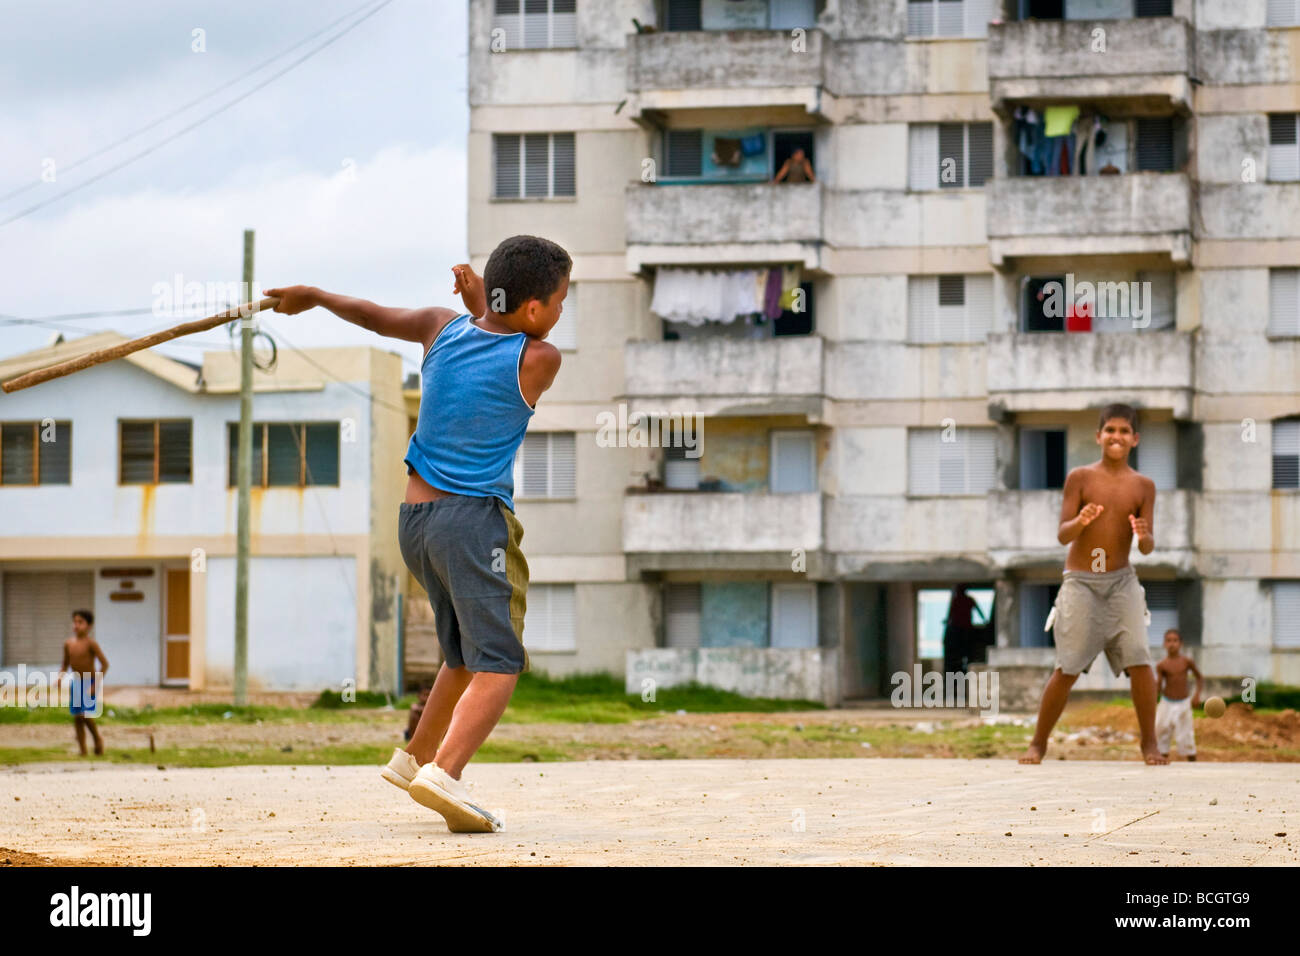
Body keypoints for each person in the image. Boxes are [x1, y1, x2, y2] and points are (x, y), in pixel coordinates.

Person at [265, 234, 569, 832]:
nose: (560, 313)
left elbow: (376, 318)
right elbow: (512, 334)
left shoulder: (439, 328)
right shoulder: (540, 358)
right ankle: (446, 775)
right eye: (559, 301)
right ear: (535, 310)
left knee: (459, 654)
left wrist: (316, 296)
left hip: (416, 525)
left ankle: (415, 759)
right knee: (499, 660)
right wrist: (487, 301)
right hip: (472, 520)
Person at [1020, 403, 1166, 765]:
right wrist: (1081, 522)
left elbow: (1146, 548)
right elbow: (1062, 534)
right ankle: (1038, 743)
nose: (1116, 437)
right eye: (1110, 430)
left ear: (1135, 439)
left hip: (1121, 582)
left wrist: (1145, 535)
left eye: (1123, 431)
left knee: (1141, 661)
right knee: (1067, 667)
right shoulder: (1080, 477)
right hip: (1081, 584)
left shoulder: (1144, 486)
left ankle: (1150, 744)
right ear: (1098, 436)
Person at [59, 609, 107, 756]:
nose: (76, 625)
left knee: (84, 715)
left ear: (89, 626)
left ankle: (97, 739)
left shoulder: (91, 644)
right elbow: (65, 663)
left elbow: (104, 664)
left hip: (89, 682)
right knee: (77, 717)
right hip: (76, 682)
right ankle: (82, 750)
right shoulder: (68, 643)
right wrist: (60, 677)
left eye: (80, 622)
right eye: (75, 622)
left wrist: (95, 685)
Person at [1155, 628, 1203, 761]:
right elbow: (1159, 685)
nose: (1172, 644)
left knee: (1186, 734)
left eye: (1175, 640)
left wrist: (1197, 695)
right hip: (1166, 702)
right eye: (1168, 640)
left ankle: (1193, 763)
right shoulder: (1161, 665)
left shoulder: (1186, 662)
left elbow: (1199, 677)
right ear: (1164, 644)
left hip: (1183, 702)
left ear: (1181, 643)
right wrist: (1153, 698)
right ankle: (1162, 760)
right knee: (1161, 731)